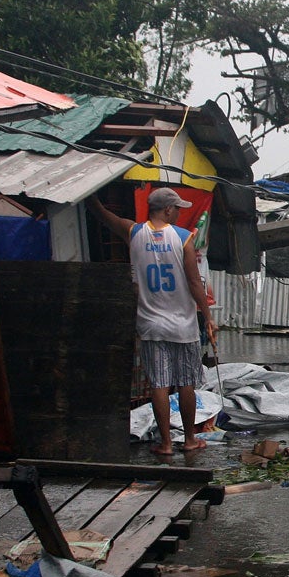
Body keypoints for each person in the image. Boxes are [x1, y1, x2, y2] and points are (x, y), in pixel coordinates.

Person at [87, 187, 217, 455]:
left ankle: (167, 444)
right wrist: (208, 317)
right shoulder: (183, 239)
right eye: (177, 209)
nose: (179, 213)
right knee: (186, 384)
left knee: (159, 384)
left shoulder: (133, 232)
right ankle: (190, 440)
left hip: (150, 325)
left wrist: (90, 196)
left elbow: (103, 215)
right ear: (167, 210)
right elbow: (194, 283)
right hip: (183, 325)